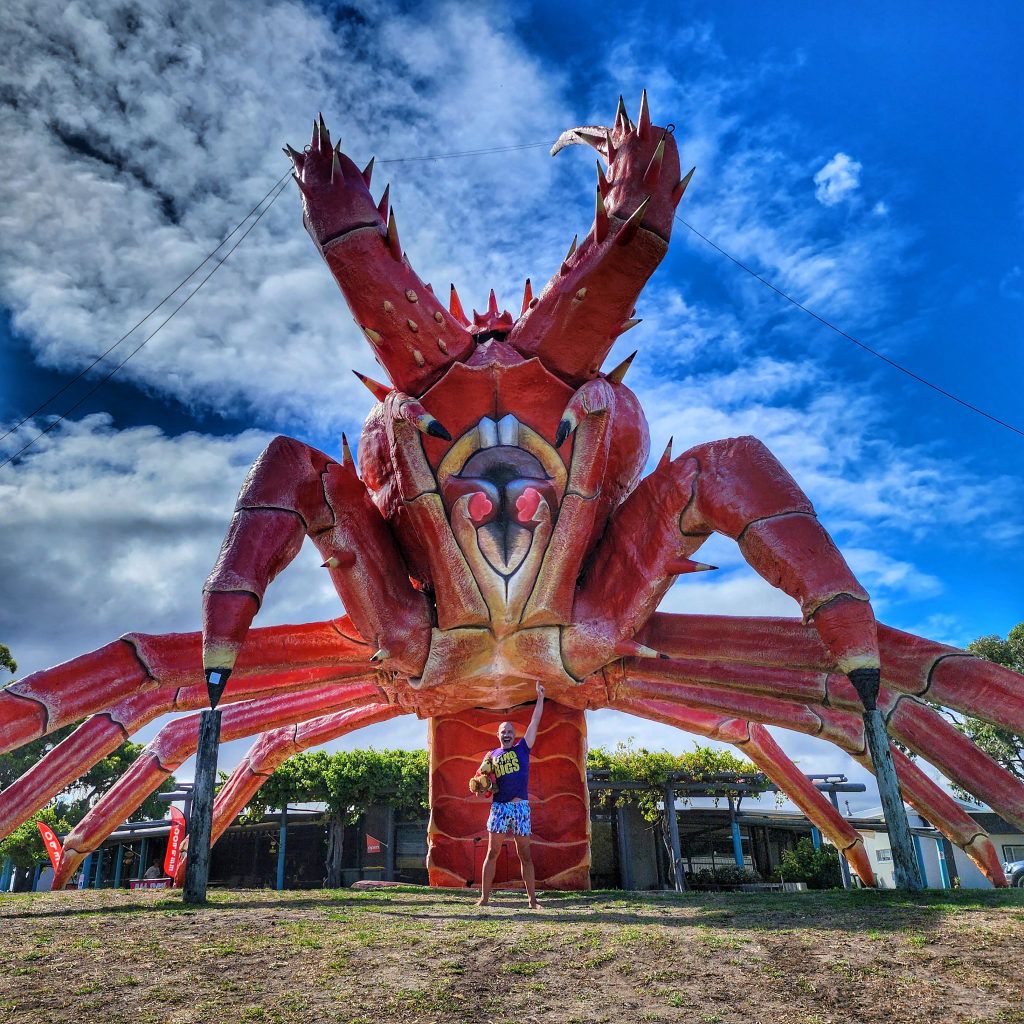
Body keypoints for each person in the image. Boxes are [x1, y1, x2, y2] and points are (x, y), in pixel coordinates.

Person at [476, 682, 545, 909]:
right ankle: (484, 898)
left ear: (514, 735)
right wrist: (482, 787)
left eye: (509, 731)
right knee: (492, 852)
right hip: (499, 808)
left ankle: (532, 901)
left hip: (521, 807)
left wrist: (540, 698)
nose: (506, 734)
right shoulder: (491, 755)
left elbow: (535, 722)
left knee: (524, 853)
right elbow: (482, 782)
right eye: (502, 732)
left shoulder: (522, 748)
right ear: (498, 735)